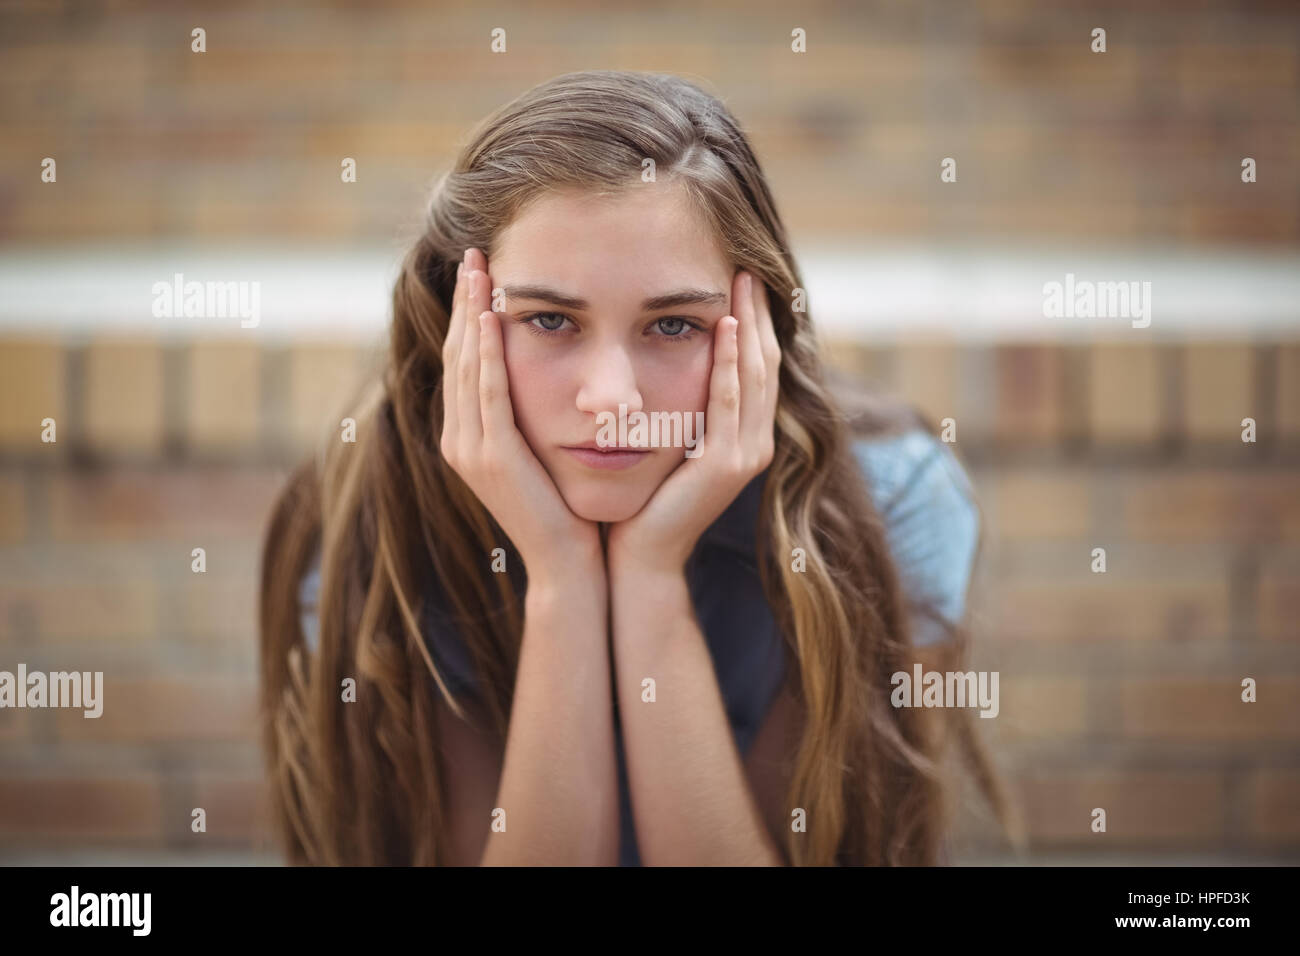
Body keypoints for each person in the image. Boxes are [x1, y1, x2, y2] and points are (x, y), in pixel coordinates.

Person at [258, 69, 1023, 866]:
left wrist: (651, 578)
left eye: (673, 326)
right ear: (460, 320)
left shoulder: (891, 503)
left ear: (756, 331)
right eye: (549, 319)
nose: (613, 399)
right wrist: (561, 576)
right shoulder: (366, 512)